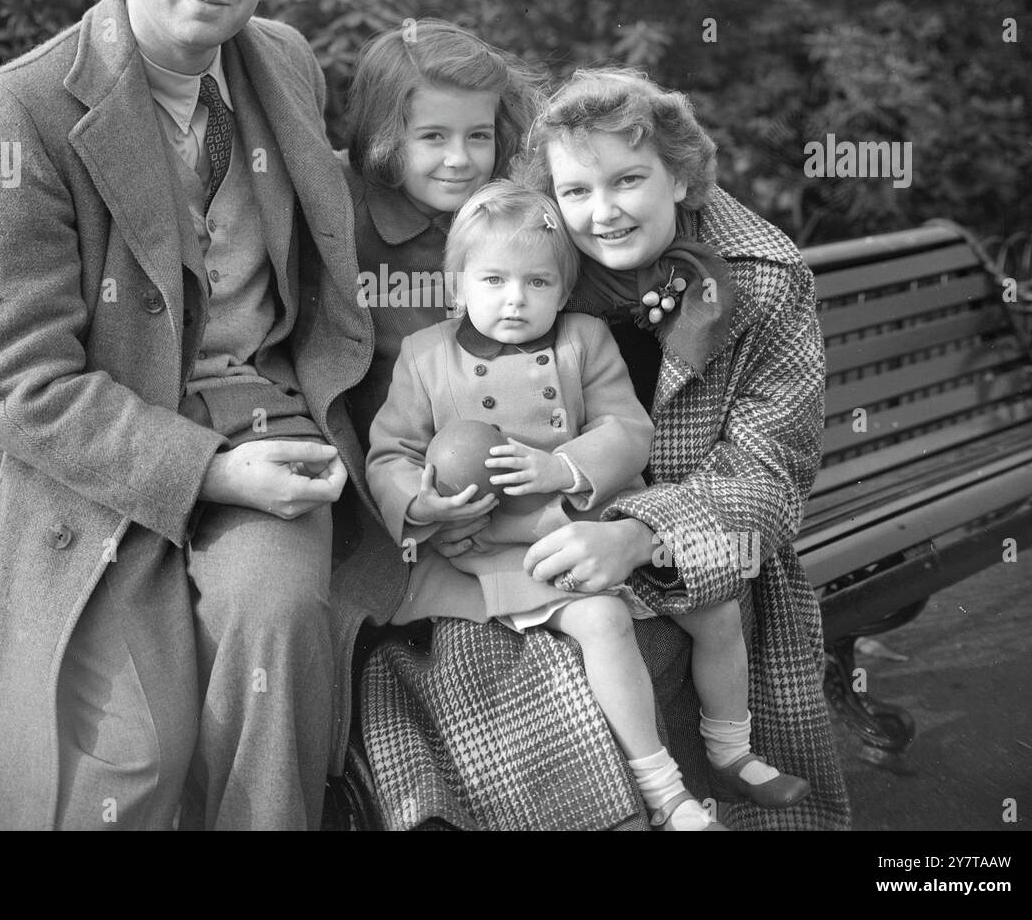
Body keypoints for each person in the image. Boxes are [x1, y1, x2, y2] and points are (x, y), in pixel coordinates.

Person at [0, 0, 401, 831]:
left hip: (268, 423)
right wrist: (216, 474)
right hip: (93, 471)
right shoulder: (17, 110)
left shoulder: (283, 61)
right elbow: (20, 385)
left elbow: (340, 245)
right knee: (125, 769)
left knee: (277, 630)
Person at [362, 67, 850, 831]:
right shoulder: (543, 258)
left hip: (696, 537)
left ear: (681, 177)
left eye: (629, 180)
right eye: (578, 191)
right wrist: (427, 505)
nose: (603, 211)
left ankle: (716, 768)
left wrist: (637, 532)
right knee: (512, 669)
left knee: (654, 626)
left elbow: (769, 470)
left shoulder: (758, 279)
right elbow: (407, 427)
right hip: (515, 545)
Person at [340, 19, 539, 440]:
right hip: (385, 458)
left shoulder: (507, 216)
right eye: (433, 136)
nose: (459, 159)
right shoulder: (339, 207)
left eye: (479, 136)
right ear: (386, 134)